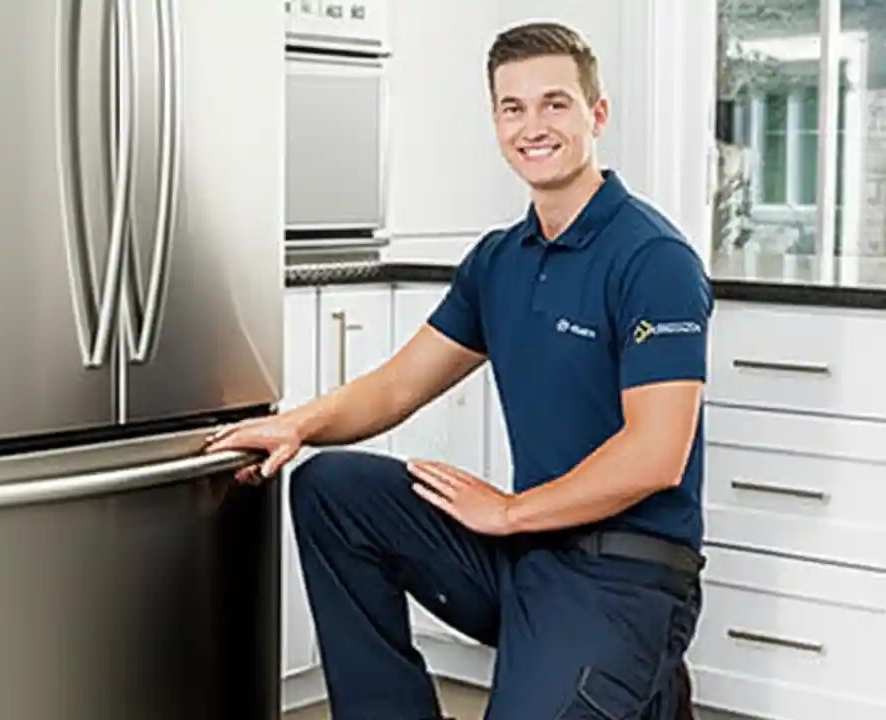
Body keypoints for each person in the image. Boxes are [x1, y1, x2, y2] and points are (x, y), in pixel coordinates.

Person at [205, 20, 712, 720]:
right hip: (527, 556)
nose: (533, 125)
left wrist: (509, 511)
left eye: (555, 103)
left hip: (625, 572)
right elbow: (397, 386)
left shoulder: (652, 259)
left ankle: (640, 675)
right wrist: (294, 424)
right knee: (332, 486)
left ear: (597, 115)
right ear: (497, 123)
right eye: (513, 107)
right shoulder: (500, 261)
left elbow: (657, 455)